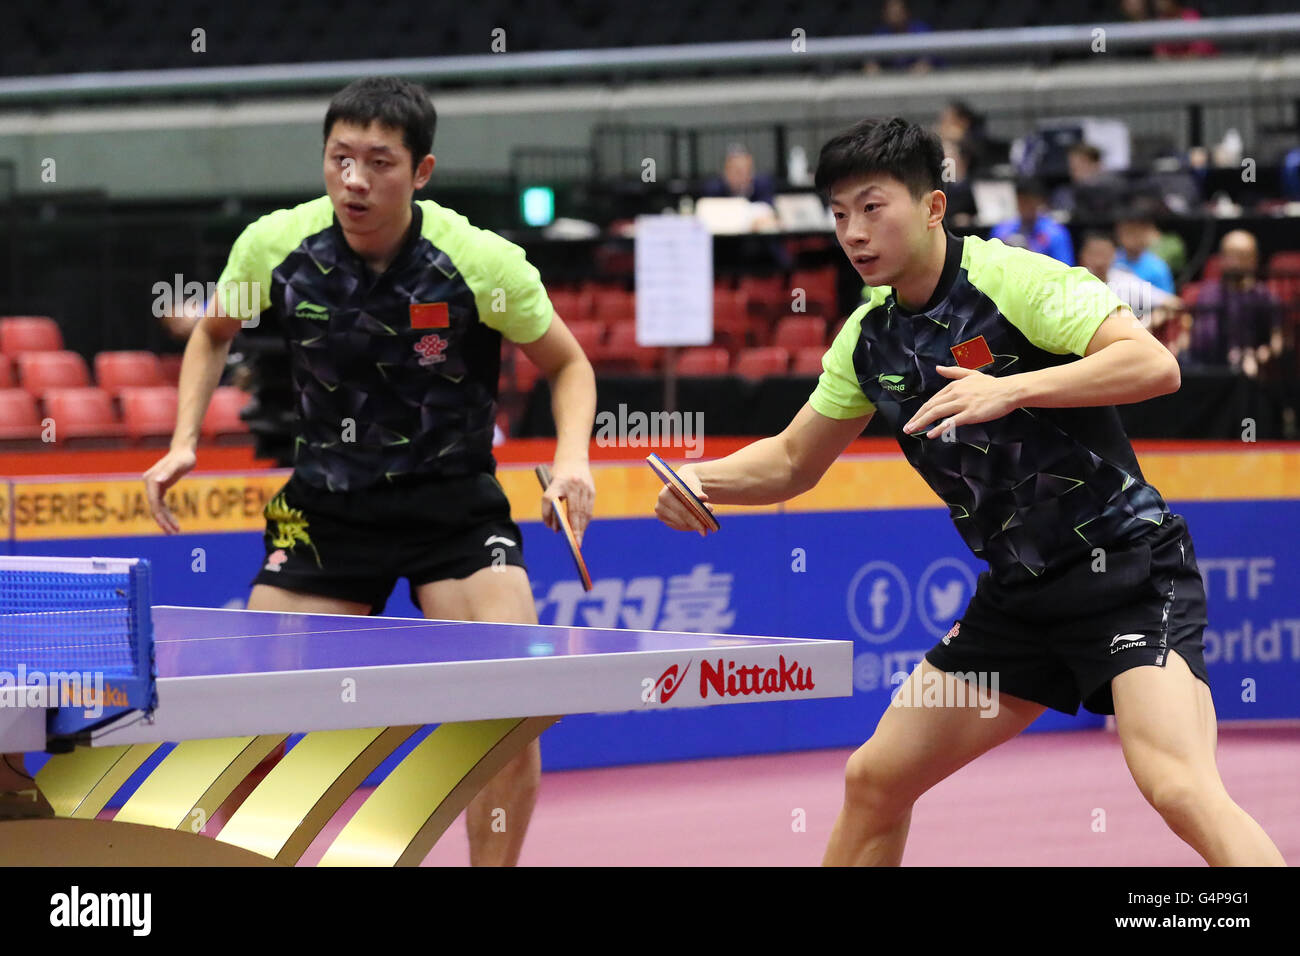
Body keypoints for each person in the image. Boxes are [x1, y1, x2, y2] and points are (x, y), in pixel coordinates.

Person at [653, 116, 1285, 867]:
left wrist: (1010, 389)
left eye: (872, 206)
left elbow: (1153, 365)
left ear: (932, 207)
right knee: (876, 780)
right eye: (838, 213)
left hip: (1128, 576)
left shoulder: (1014, 280)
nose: (853, 231)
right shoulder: (867, 341)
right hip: (1018, 603)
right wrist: (701, 478)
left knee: (1176, 784)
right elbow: (793, 461)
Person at [141, 76, 598, 867]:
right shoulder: (275, 246)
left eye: (378, 162)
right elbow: (213, 333)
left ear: (421, 171)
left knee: (515, 705)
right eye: (339, 158)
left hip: (453, 511)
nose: (354, 180)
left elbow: (568, 363)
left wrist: (571, 460)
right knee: (246, 719)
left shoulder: (478, 259)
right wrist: (185, 437)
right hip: (325, 510)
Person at [1186, 230, 1283, 377]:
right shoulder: (1208, 293)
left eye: (1241, 256)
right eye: (1229, 255)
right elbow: (1193, 333)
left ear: (1254, 259)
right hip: (1205, 369)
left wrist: (1258, 356)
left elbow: (1276, 342)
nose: (1234, 262)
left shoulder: (1264, 297)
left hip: (1247, 372)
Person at [1079, 232, 1182, 349]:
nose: (1099, 260)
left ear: (1114, 254)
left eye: (1104, 253)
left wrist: (1148, 322)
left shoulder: (1125, 280)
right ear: (1083, 255)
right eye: (1094, 253)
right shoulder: (1076, 281)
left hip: (1124, 346)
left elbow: (1174, 303)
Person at [990, 177, 1074, 265]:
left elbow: (1065, 269)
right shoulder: (1001, 231)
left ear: (1038, 202)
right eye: (1021, 202)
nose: (1025, 208)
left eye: (1028, 202)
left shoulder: (1056, 233)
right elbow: (991, 264)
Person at [1050, 143, 1125, 223]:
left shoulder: (1116, 186)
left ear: (1096, 165)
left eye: (1080, 165)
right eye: (1072, 167)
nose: (1074, 172)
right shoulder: (1064, 193)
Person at [1115, 206, 1176, 293]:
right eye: (1127, 232)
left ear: (1146, 233)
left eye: (1137, 232)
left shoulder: (1158, 267)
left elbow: (1169, 302)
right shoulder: (1108, 261)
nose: (1132, 238)